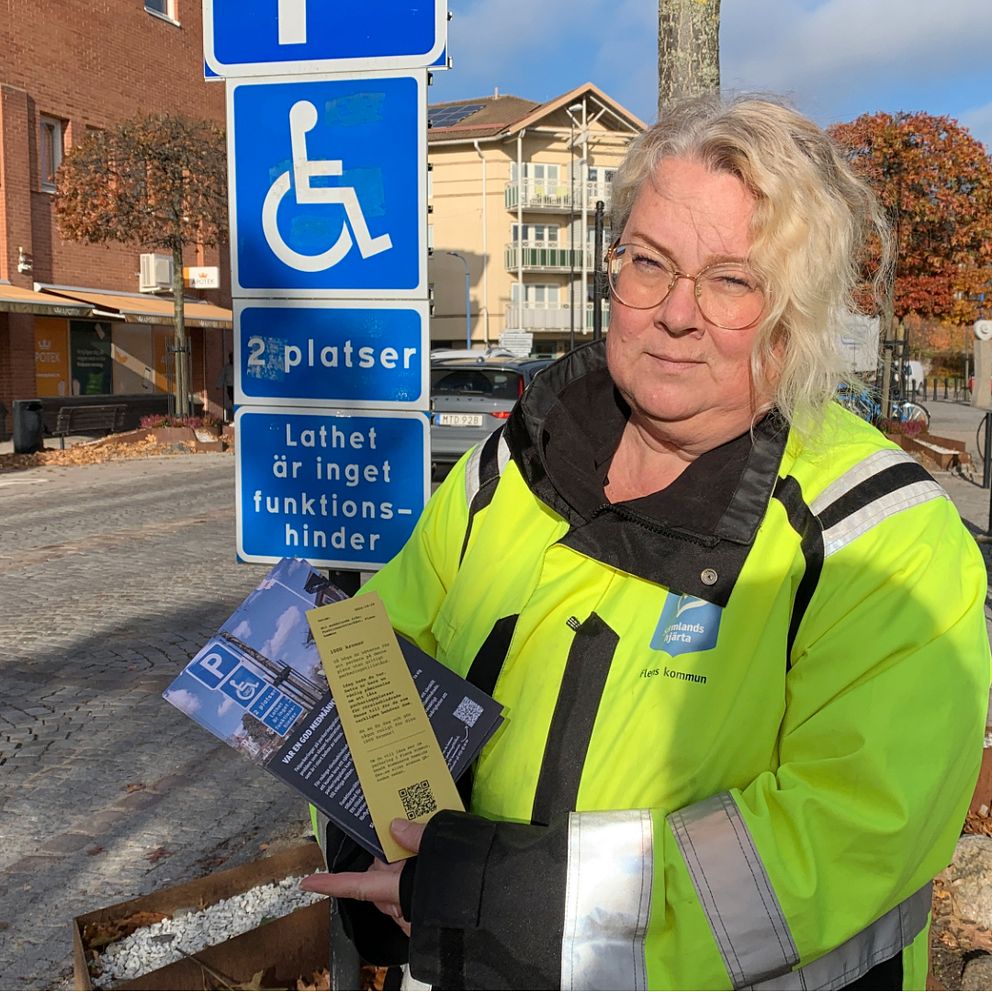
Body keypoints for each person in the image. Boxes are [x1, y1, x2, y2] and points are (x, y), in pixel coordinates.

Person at [300, 96, 992, 990]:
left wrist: (496, 898)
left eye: (731, 281)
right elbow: (376, 664)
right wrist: (375, 840)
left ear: (797, 315)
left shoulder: (882, 534)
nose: (675, 312)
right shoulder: (509, 465)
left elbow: (845, 837)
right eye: (651, 263)